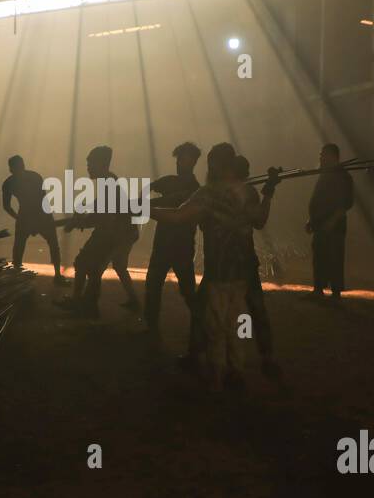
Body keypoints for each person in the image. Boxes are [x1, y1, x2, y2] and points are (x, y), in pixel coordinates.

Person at [152, 143, 252, 390]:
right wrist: (268, 193)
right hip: (243, 271)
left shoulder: (208, 193)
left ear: (215, 165)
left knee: (216, 324)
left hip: (220, 271)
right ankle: (237, 369)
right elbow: (260, 218)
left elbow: (177, 215)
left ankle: (217, 376)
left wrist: (144, 209)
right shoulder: (249, 193)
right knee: (239, 322)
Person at [64, 146, 135, 317]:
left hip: (116, 234)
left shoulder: (109, 183)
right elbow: (98, 207)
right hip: (115, 232)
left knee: (87, 264)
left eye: (91, 164)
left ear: (102, 165)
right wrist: (80, 218)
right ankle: (86, 304)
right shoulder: (107, 181)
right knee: (96, 266)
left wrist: (80, 221)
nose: (88, 167)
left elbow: (103, 217)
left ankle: (84, 304)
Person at [143, 142, 201, 334]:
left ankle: (201, 329)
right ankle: (150, 329)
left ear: (193, 162)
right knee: (153, 286)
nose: (179, 164)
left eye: (183, 160)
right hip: (163, 244)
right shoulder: (170, 181)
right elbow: (147, 189)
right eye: (178, 160)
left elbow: (174, 207)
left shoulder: (196, 190)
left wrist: (144, 205)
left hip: (181, 246)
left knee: (188, 291)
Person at [234, 154, 281, 378]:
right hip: (236, 259)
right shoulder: (236, 191)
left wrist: (268, 191)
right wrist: (268, 191)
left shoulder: (243, 192)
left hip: (237, 260)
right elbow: (260, 221)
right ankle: (266, 356)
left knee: (251, 308)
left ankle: (266, 355)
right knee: (253, 309)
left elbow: (259, 221)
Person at [1, 154, 65, 284]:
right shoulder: (25, 179)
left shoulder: (12, 182)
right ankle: (57, 276)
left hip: (38, 215)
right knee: (22, 246)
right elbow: (7, 206)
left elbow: (41, 199)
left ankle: (57, 275)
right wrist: (20, 219)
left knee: (50, 244)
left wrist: (22, 219)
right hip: (30, 216)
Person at [305, 143, 354, 298]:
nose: (320, 157)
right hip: (320, 224)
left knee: (334, 258)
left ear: (332, 156)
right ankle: (318, 290)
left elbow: (345, 203)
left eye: (323, 154)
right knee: (319, 257)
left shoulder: (342, 176)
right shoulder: (326, 174)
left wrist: (332, 221)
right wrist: (311, 220)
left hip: (334, 225)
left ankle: (335, 293)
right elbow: (319, 200)